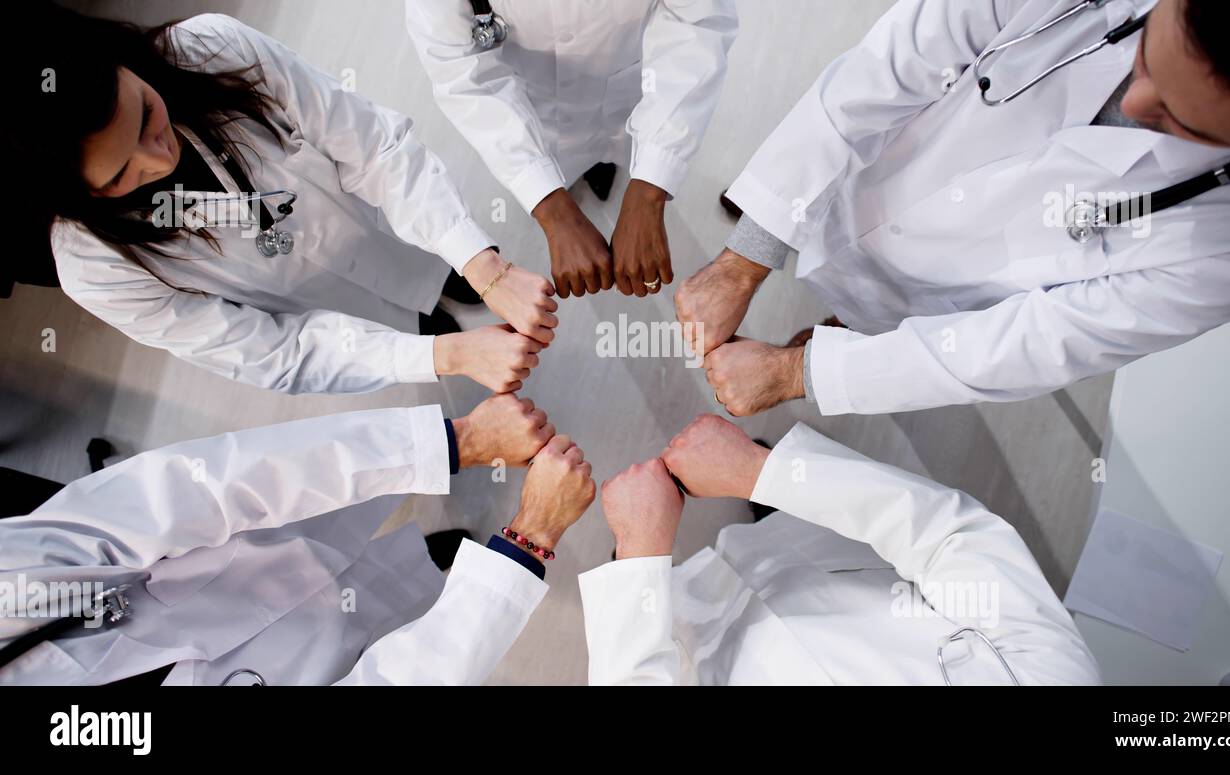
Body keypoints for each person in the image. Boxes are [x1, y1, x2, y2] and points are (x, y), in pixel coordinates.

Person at [675, 0, 1230, 417]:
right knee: (811, 196)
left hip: (956, 293)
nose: (1135, 103)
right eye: (1143, 56)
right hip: (889, 164)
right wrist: (744, 259)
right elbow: (890, 68)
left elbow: (1029, 345)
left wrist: (798, 374)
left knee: (870, 329)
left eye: (1179, 123)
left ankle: (836, 335)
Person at [9, 6, 558, 396]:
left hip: (383, 227)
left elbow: (373, 148)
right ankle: (428, 329)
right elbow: (273, 352)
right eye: (121, 174)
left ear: (120, 61)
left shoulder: (210, 49)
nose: (158, 160)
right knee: (411, 333)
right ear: (76, 197)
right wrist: (446, 357)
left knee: (437, 265)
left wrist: (481, 263)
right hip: (323, 313)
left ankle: (448, 278)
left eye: (147, 116)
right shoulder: (94, 268)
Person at [0, 393, 596, 685]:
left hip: (224, 566)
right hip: (307, 669)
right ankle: (425, 568)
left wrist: (451, 443)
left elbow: (185, 494)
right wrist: (527, 543)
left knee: (316, 543)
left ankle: (421, 549)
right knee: (369, 618)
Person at [581, 414, 1101, 685]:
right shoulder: (1063, 681)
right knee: (785, 529)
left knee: (650, 608)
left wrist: (638, 558)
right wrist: (763, 473)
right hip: (816, 560)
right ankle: (771, 499)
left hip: (696, 647)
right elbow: (952, 539)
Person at [406, 0, 738, 298]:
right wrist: (551, 205)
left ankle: (602, 166)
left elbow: (698, 20)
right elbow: (462, 73)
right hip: (533, 100)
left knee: (617, 145)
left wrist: (651, 184)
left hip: (629, 75)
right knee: (555, 161)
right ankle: (569, 177)